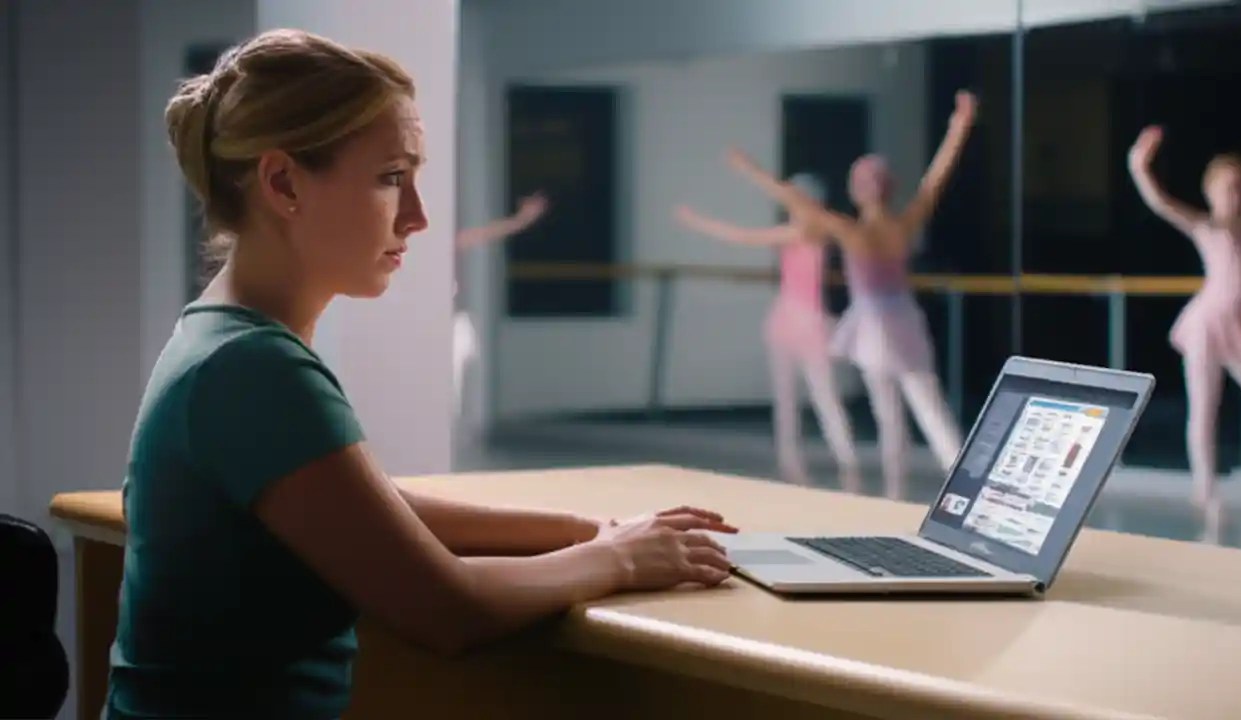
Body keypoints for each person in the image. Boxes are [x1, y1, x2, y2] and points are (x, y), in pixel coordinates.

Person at [107, 29, 736, 720]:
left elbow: (367, 507)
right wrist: (618, 561)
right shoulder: (251, 369)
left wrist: (589, 531)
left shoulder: (218, 336)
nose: (419, 216)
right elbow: (447, 608)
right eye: (391, 177)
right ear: (283, 182)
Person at [723, 91, 978, 499]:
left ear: (859, 191)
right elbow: (936, 179)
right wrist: (958, 128)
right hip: (901, 318)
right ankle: (952, 481)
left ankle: (898, 491)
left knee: (890, 413)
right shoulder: (903, 223)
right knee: (927, 405)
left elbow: (794, 201)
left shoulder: (852, 231)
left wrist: (749, 170)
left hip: (873, 325)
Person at [1127, 114, 1241, 511]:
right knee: (1204, 406)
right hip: (1207, 325)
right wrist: (1140, 165)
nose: (1231, 195)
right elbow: (1160, 203)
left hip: (1240, 328)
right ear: (1210, 193)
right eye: (1224, 188)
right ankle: (1205, 491)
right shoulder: (1205, 227)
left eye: (1238, 188)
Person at [673, 174, 861, 489]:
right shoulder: (802, 231)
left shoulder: (811, 230)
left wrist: (698, 222)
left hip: (809, 321)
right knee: (792, 397)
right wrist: (698, 223)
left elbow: (743, 236)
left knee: (822, 395)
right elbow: (742, 236)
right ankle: (797, 463)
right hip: (788, 319)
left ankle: (845, 462)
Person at [453, 193, 549, 420]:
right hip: (441, 324)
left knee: (454, 391)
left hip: (455, 321)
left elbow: (473, 237)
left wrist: (520, 221)